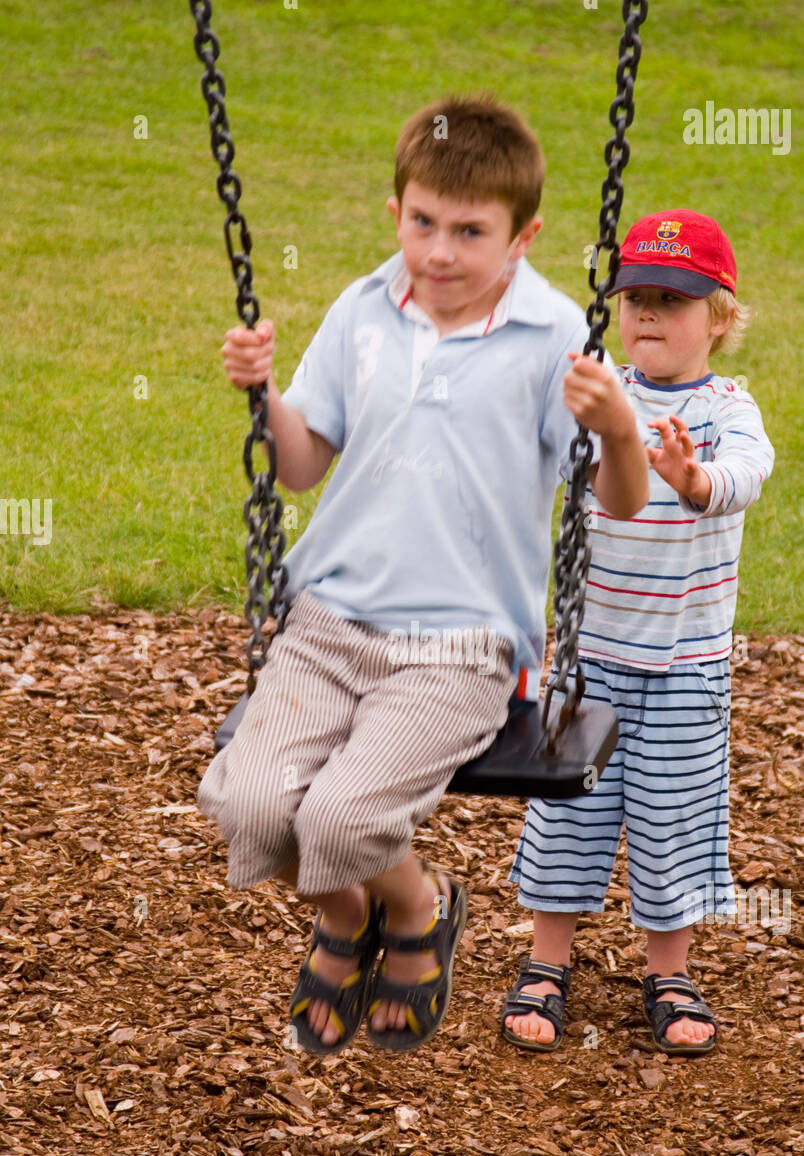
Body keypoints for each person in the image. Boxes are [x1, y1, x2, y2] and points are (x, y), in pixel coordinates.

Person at [197, 94, 648, 1055]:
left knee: (341, 816)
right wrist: (264, 394)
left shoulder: (555, 338)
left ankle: (408, 910)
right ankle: (366, 910)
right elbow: (301, 463)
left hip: (459, 645)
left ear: (522, 236)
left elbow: (615, 501)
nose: (440, 252)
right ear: (396, 210)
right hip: (328, 622)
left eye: (470, 231)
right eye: (422, 223)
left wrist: (614, 425)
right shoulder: (361, 312)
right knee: (249, 804)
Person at [502, 209, 775, 1056]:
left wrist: (690, 477)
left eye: (673, 299)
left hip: (687, 667)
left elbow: (742, 476)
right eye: (636, 299)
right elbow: (535, 459)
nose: (649, 314)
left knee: (674, 821)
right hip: (591, 659)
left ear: (720, 318)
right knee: (568, 817)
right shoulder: (600, 396)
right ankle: (547, 964)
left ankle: (668, 970)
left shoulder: (728, 407)